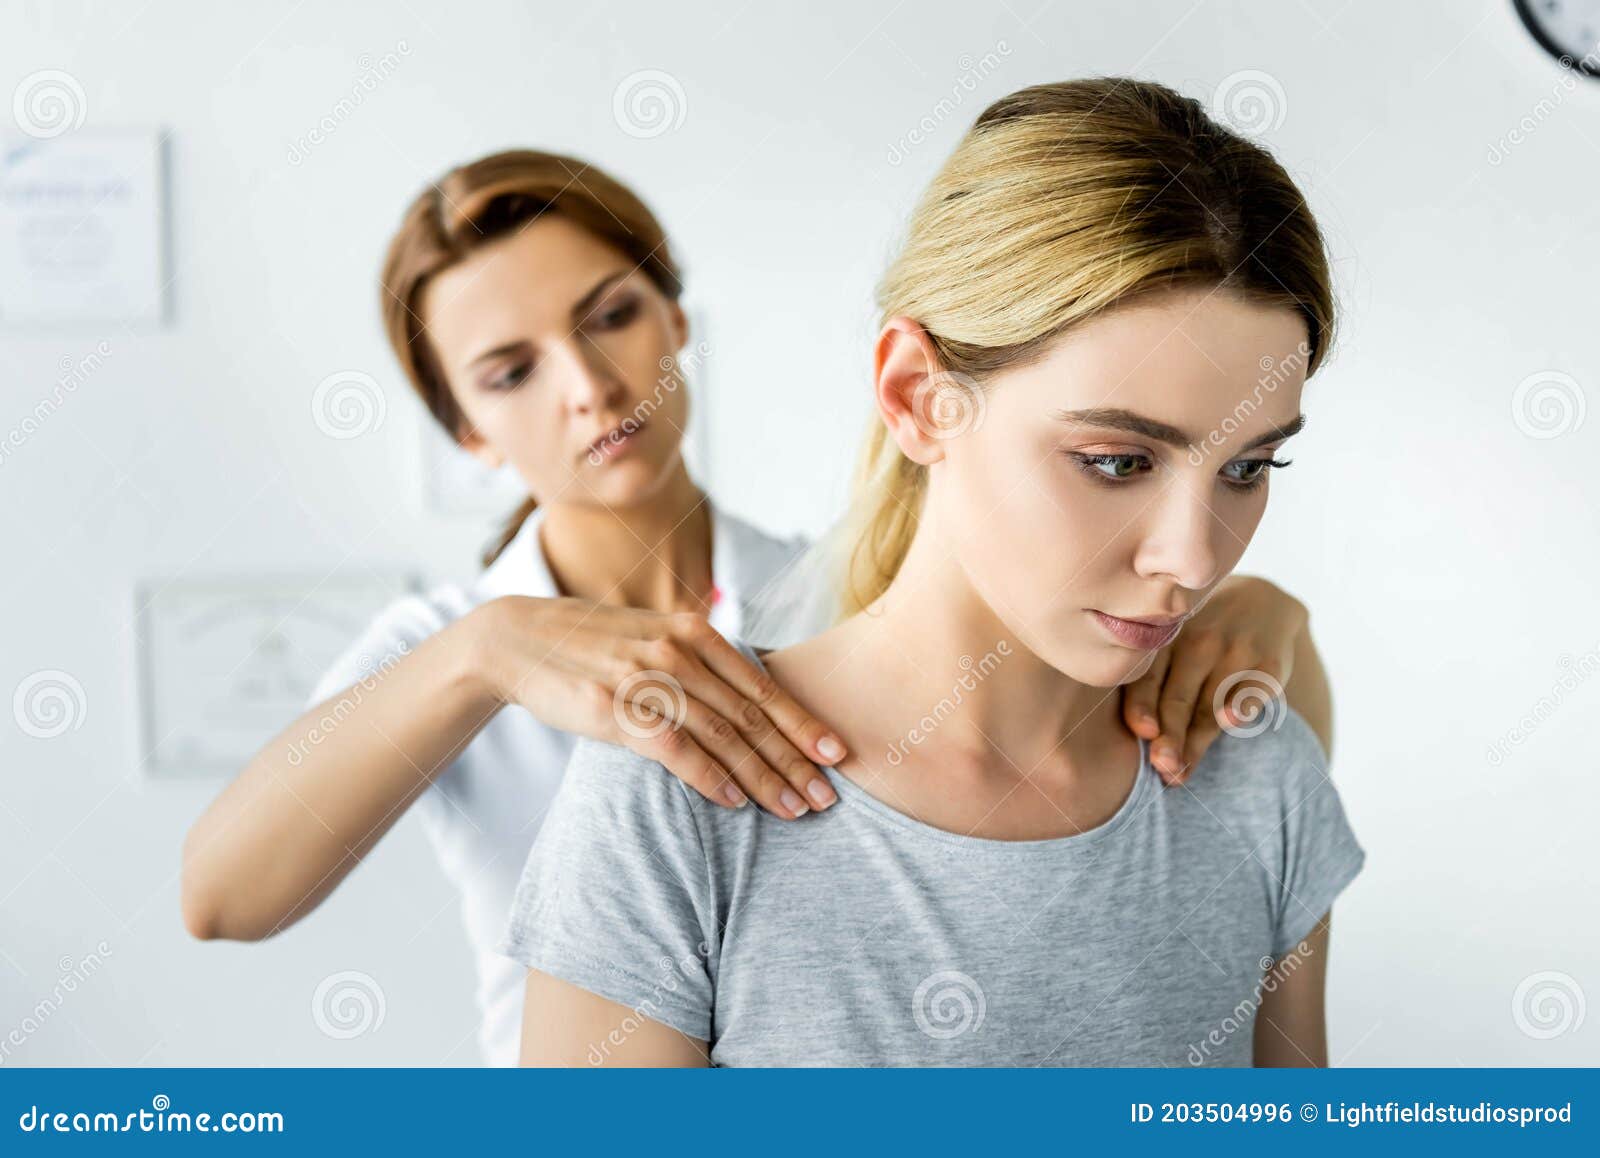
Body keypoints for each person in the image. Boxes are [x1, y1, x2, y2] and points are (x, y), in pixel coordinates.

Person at [182, 142, 1335, 1067]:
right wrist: (485, 656)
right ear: (466, 430)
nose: (590, 388)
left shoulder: (844, 584)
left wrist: (1269, 618)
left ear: (675, 317)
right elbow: (222, 898)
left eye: (609, 315)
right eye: (510, 371)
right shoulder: (443, 656)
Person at [503, 78, 1365, 1067]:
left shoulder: (1254, 776)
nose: (1194, 557)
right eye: (1118, 462)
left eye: (1247, 468)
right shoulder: (679, 795)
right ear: (918, 398)